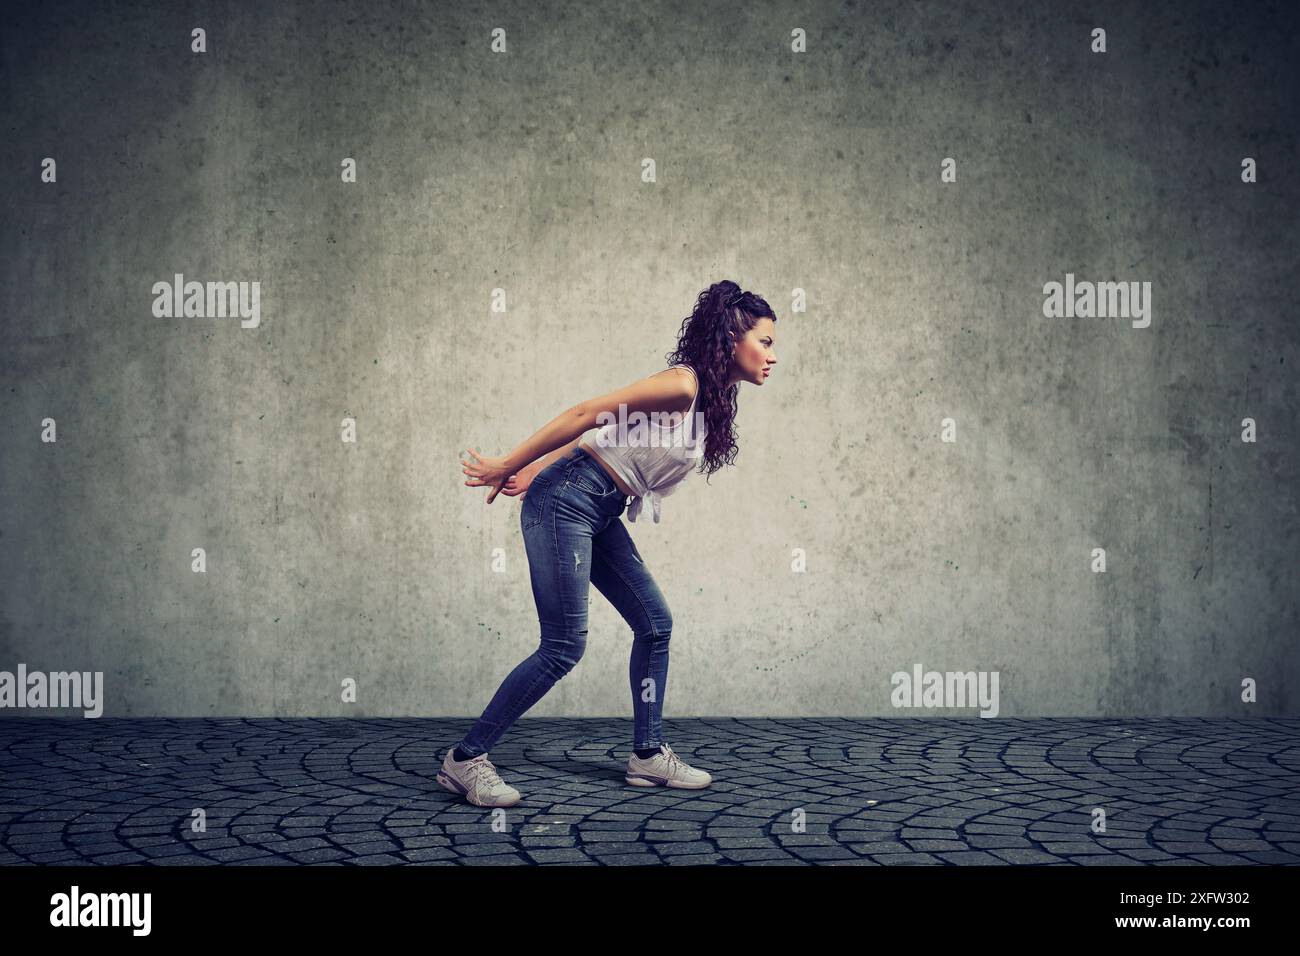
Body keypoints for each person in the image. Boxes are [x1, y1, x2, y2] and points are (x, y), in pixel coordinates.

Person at [437, 280, 779, 807]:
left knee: (655, 624)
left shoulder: (706, 402)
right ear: (733, 337)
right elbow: (585, 414)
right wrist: (513, 463)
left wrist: (535, 471)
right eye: (766, 341)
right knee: (564, 645)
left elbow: (604, 435)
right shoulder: (683, 385)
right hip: (568, 502)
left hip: (597, 508)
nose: (773, 355)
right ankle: (465, 759)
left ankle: (647, 755)